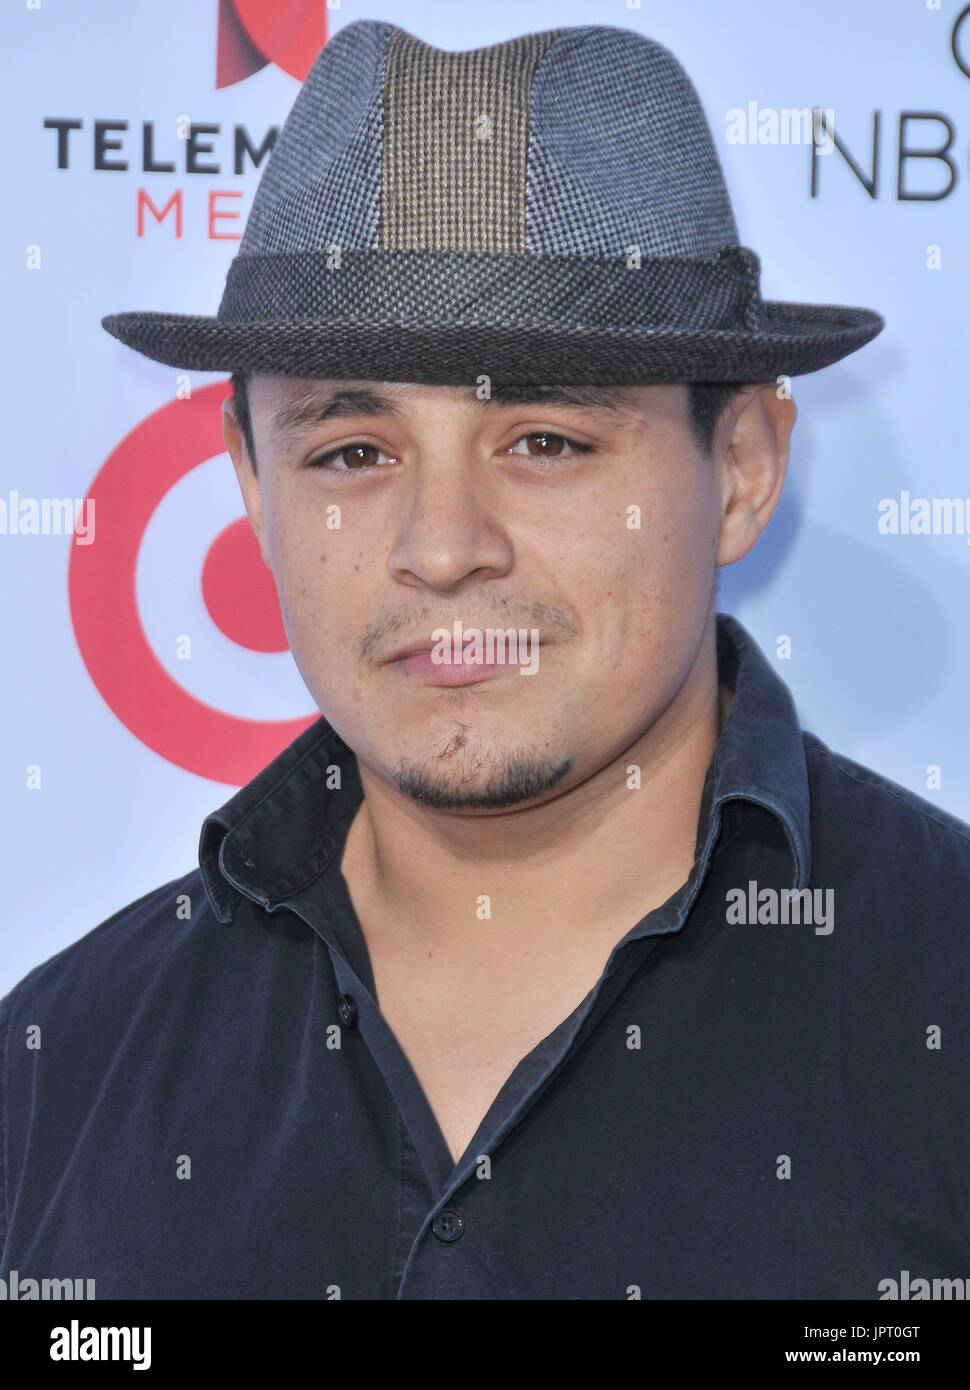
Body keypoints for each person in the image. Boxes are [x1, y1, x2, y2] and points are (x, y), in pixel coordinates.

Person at [2, 19, 967, 1301]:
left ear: (738, 468)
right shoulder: (59, 1066)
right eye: (353, 452)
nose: (443, 548)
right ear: (247, 480)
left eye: (546, 441)